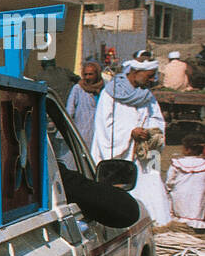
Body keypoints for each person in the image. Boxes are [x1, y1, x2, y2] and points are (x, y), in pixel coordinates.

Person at [90, 59, 170, 225]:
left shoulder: (148, 96)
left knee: (151, 179)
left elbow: (156, 118)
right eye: (149, 76)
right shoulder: (111, 93)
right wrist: (130, 133)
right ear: (135, 73)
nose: (152, 80)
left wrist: (149, 131)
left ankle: (153, 220)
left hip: (143, 153)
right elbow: (104, 124)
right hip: (119, 151)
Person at [165, 134, 205, 230]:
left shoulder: (176, 164)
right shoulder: (203, 164)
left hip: (180, 195)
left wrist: (168, 190)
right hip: (199, 195)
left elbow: (169, 182)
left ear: (187, 149)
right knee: (197, 208)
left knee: (180, 212)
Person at [65, 60, 105, 150]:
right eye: (85, 74)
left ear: (97, 74)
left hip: (100, 132)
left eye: (90, 74)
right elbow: (69, 110)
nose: (87, 77)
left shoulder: (105, 89)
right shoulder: (78, 88)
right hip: (82, 131)